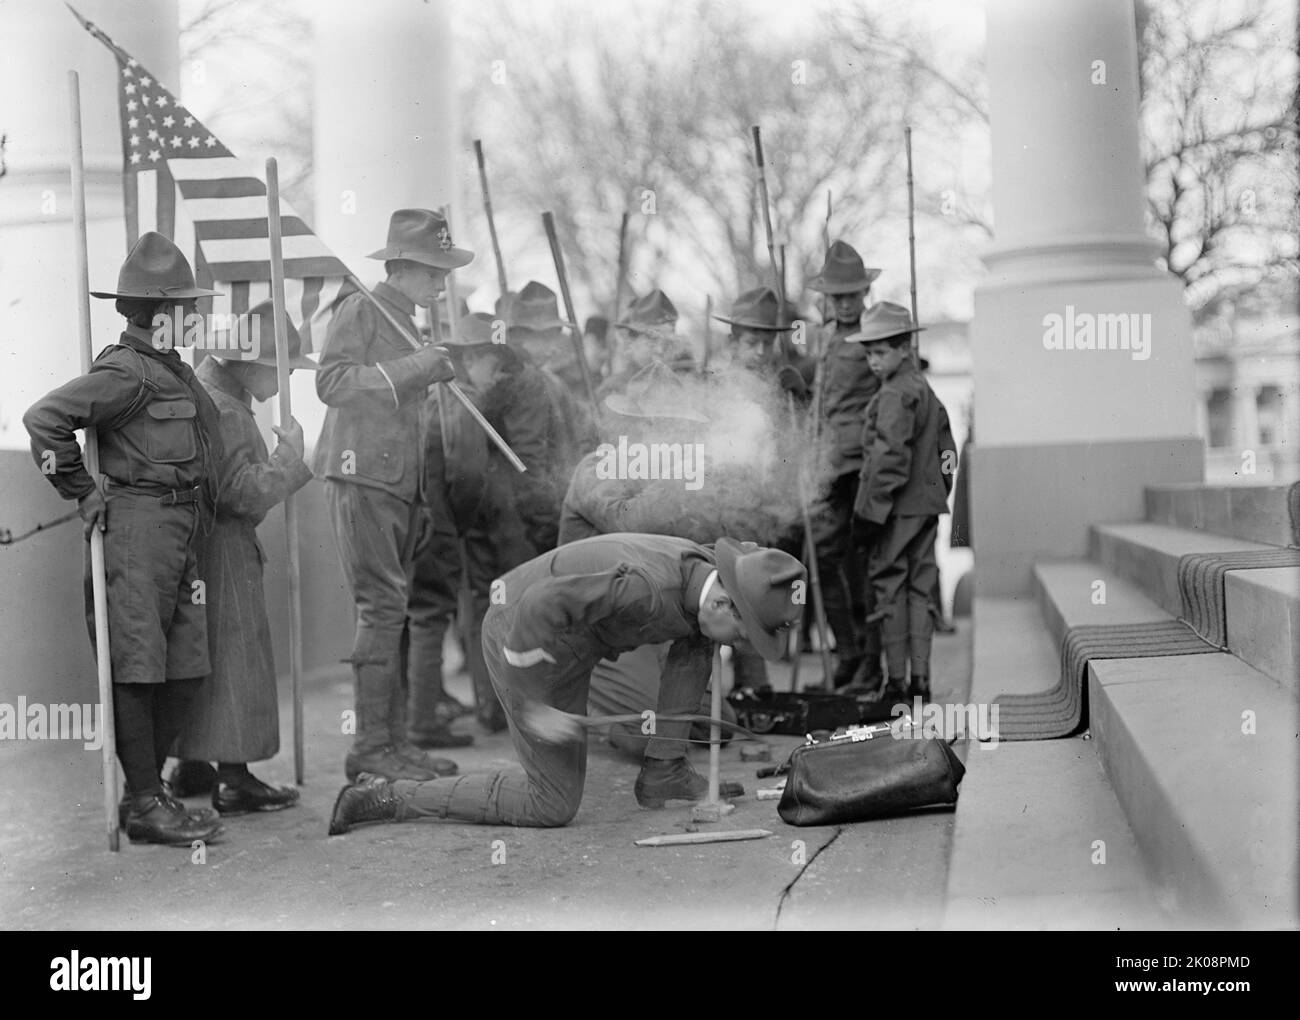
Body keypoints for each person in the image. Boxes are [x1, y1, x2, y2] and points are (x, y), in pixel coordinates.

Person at [328, 534, 805, 832]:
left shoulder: (709, 575)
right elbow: (537, 607)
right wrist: (534, 703)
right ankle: (384, 796)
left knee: (696, 640)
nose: (742, 648)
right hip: (522, 634)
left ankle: (664, 770)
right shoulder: (644, 587)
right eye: (744, 636)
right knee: (550, 803)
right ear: (723, 604)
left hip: (571, 640)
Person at [23, 232, 224, 846]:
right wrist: (82, 491)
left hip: (181, 530)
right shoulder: (127, 371)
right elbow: (44, 418)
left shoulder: (173, 371)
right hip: (136, 531)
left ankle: (150, 789)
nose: (196, 317)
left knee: (186, 669)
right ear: (163, 315)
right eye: (188, 308)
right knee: (138, 668)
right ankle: (143, 801)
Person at [314, 208, 468, 782]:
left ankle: (395, 745)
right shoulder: (362, 309)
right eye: (434, 271)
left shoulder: (406, 320)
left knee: (394, 611)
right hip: (360, 479)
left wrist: (421, 499)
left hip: (396, 487)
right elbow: (331, 383)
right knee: (381, 610)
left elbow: (411, 427)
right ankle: (370, 750)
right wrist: (414, 368)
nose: (442, 281)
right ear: (401, 268)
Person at [166, 302, 315, 813]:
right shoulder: (227, 409)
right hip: (223, 548)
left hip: (191, 546)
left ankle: (192, 763)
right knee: (236, 656)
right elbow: (240, 494)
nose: (292, 372)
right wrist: (289, 462)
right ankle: (234, 778)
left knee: (201, 655)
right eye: (284, 363)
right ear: (253, 362)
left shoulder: (208, 391)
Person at [404, 312, 531, 740]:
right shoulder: (466, 405)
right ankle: (423, 721)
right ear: (474, 358)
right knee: (430, 618)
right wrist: (460, 524)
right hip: (438, 527)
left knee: (421, 617)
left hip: (416, 522)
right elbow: (469, 479)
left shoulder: (436, 396)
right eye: (494, 365)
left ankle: (419, 712)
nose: (497, 376)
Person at [849, 303, 957, 707]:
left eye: (880, 352)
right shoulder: (924, 389)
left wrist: (870, 515)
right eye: (868, 353)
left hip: (894, 510)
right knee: (919, 590)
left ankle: (896, 683)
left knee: (890, 590)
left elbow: (888, 459)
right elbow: (948, 453)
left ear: (904, 349)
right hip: (926, 508)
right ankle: (920, 681)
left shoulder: (895, 394)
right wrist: (935, 495)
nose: (873, 361)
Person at [805, 240, 884, 690]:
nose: (846, 303)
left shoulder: (875, 336)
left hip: (862, 468)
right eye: (838, 297)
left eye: (853, 295)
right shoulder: (827, 338)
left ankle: (870, 666)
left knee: (866, 565)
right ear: (828, 300)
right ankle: (848, 653)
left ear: (865, 294)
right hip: (829, 468)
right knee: (822, 559)